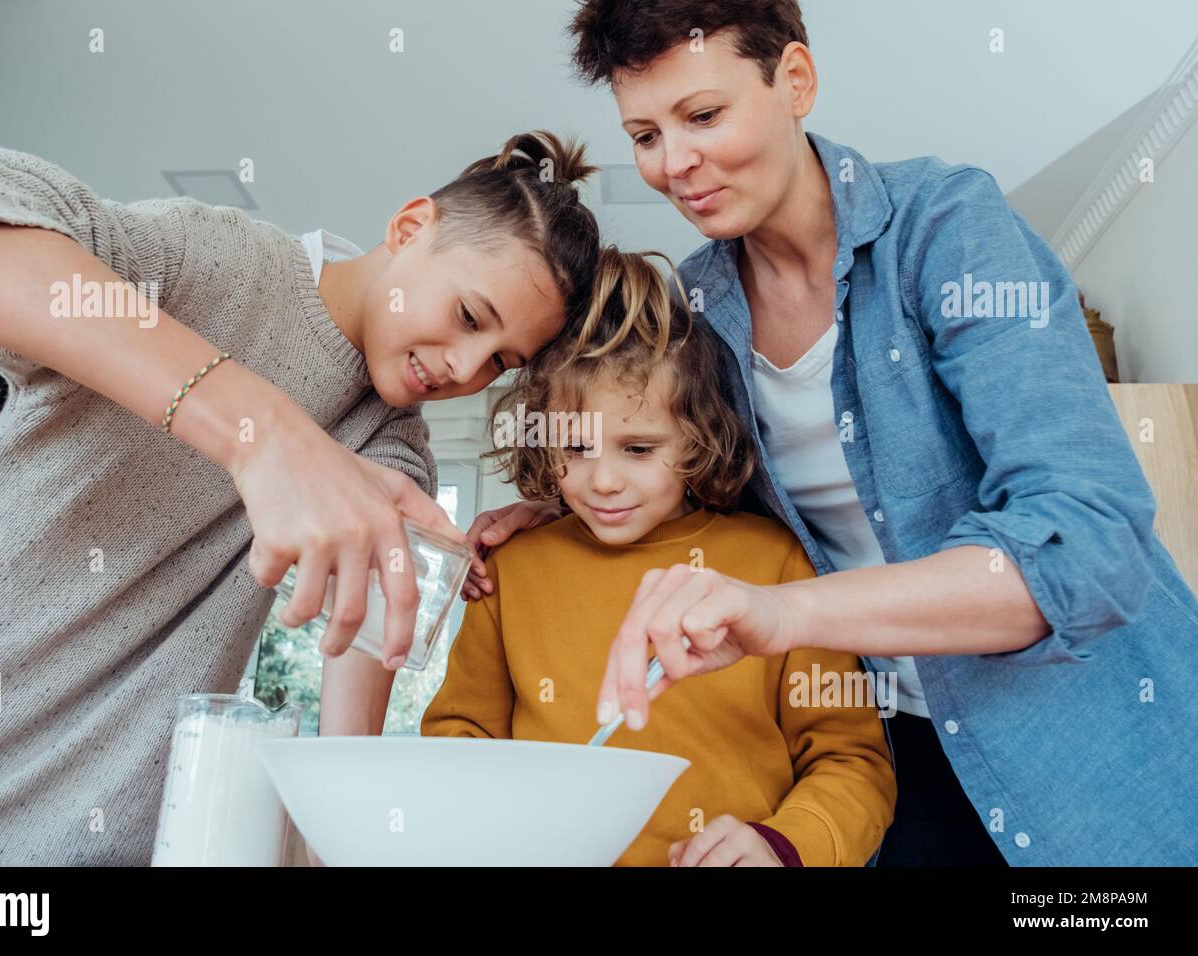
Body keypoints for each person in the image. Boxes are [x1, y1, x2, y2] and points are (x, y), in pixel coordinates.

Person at [460, 0, 1198, 866]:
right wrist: (560, 507)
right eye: (646, 134)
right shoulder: (695, 317)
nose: (674, 163)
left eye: (703, 115)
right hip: (895, 748)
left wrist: (783, 613)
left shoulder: (948, 233)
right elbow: (679, 463)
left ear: (795, 81)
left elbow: (1089, 547)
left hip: (1086, 740)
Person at [0, 130, 601, 865]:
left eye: (500, 362)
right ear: (410, 228)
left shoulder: (392, 458)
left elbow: (350, 731)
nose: (465, 366)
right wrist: (258, 429)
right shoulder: (223, 261)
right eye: (467, 316)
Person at [422, 248, 894, 866]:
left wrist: (784, 845)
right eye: (577, 447)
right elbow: (460, 739)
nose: (604, 481)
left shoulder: (776, 564)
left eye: (639, 449)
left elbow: (850, 760)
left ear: (697, 437)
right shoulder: (510, 570)